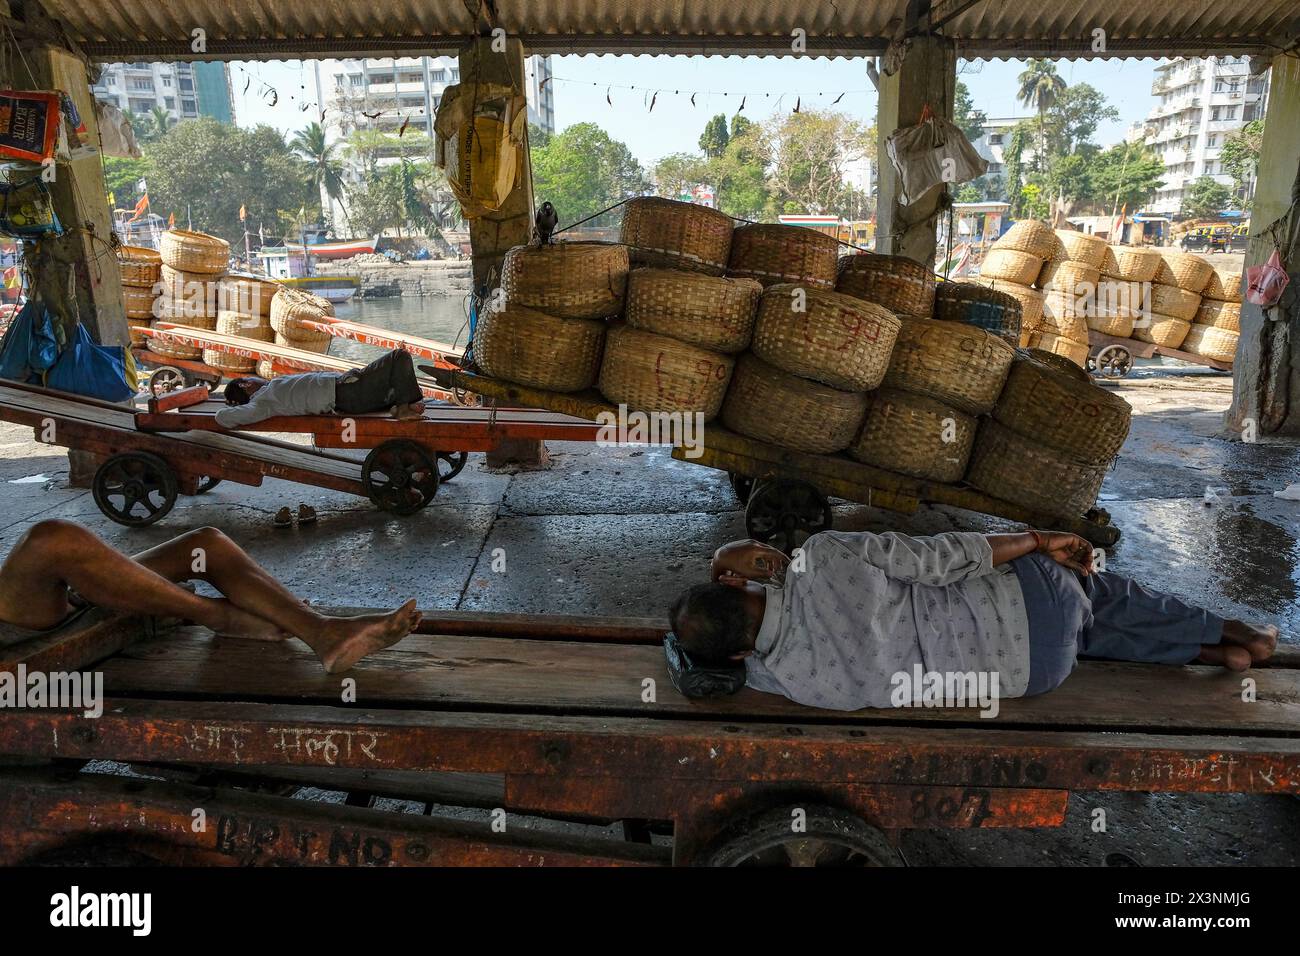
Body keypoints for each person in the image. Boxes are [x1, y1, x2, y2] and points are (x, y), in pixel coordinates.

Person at [668, 530, 1279, 711]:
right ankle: (1238, 636)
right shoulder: (823, 558)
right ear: (741, 585)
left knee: (1078, 632)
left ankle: (1208, 656)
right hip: (1036, 606)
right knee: (1096, 590)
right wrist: (1039, 538)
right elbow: (946, 557)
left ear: (741, 654)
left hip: (1034, 674)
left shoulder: (791, 680)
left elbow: (719, 670)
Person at [0, 520, 421, 673]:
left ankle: (324, 634)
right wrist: (211, 612)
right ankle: (214, 615)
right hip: (12, 627)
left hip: (65, 597)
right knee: (51, 540)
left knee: (207, 545)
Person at [216, 348, 425, 428]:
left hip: (347, 387)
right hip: (347, 395)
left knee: (392, 372)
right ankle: (406, 407)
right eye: (247, 378)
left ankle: (404, 405)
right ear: (246, 384)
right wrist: (230, 404)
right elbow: (223, 417)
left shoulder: (270, 391)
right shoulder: (264, 401)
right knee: (399, 356)